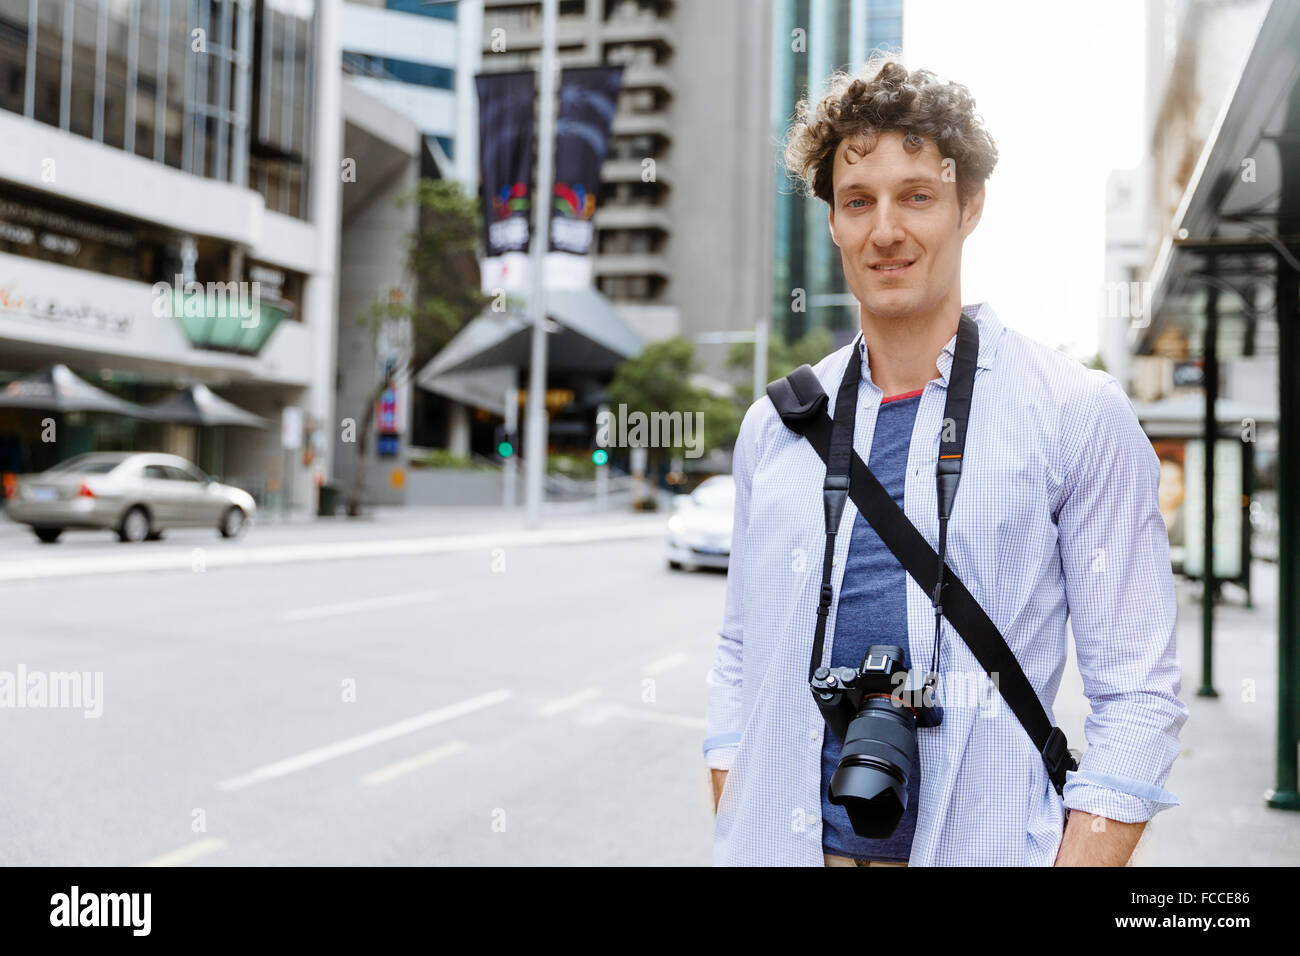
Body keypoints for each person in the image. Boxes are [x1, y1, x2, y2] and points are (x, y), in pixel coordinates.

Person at [703, 56, 1187, 866]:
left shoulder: (1076, 414)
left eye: (916, 196)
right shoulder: (774, 427)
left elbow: (1137, 697)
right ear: (832, 221)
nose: (885, 229)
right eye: (858, 201)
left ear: (969, 205)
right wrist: (735, 812)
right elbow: (740, 654)